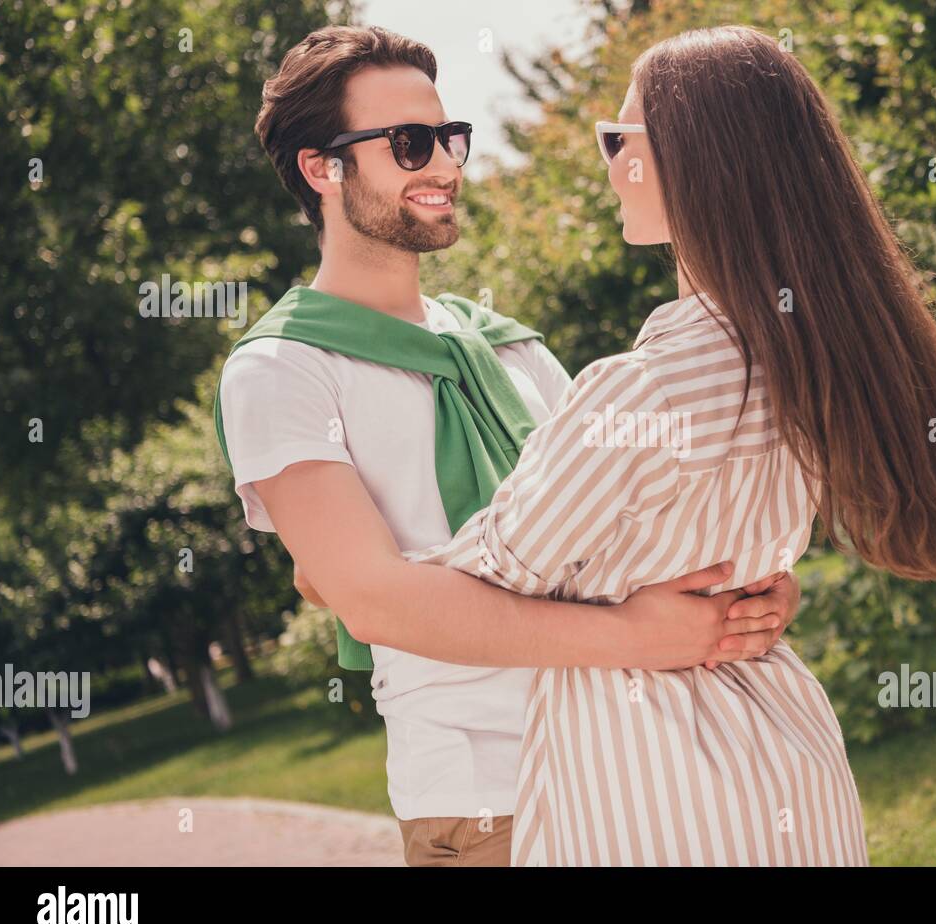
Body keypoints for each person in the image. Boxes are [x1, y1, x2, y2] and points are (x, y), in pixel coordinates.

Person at [390, 25, 936, 865]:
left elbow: (471, 592)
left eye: (620, 139)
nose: (608, 163)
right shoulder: (814, 354)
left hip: (652, 789)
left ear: (693, 163)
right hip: (788, 756)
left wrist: (342, 578)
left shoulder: (644, 388)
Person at [217, 25, 799, 868]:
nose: (448, 168)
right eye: (411, 146)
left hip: (637, 763)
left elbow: (634, 535)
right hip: (487, 798)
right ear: (323, 168)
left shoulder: (509, 347)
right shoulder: (281, 371)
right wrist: (647, 637)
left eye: (451, 139)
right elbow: (377, 603)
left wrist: (750, 598)